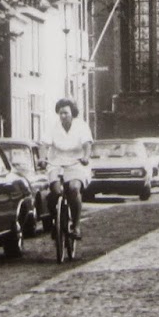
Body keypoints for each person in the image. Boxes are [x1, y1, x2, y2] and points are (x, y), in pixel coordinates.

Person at [42, 98, 93, 239]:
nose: (63, 116)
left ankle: (76, 226)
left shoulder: (81, 126)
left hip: (76, 163)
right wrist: (41, 158)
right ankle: (56, 222)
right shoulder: (53, 126)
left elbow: (87, 144)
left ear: (72, 113)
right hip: (56, 163)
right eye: (60, 113)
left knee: (74, 188)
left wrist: (86, 157)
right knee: (55, 191)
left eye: (66, 113)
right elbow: (44, 144)